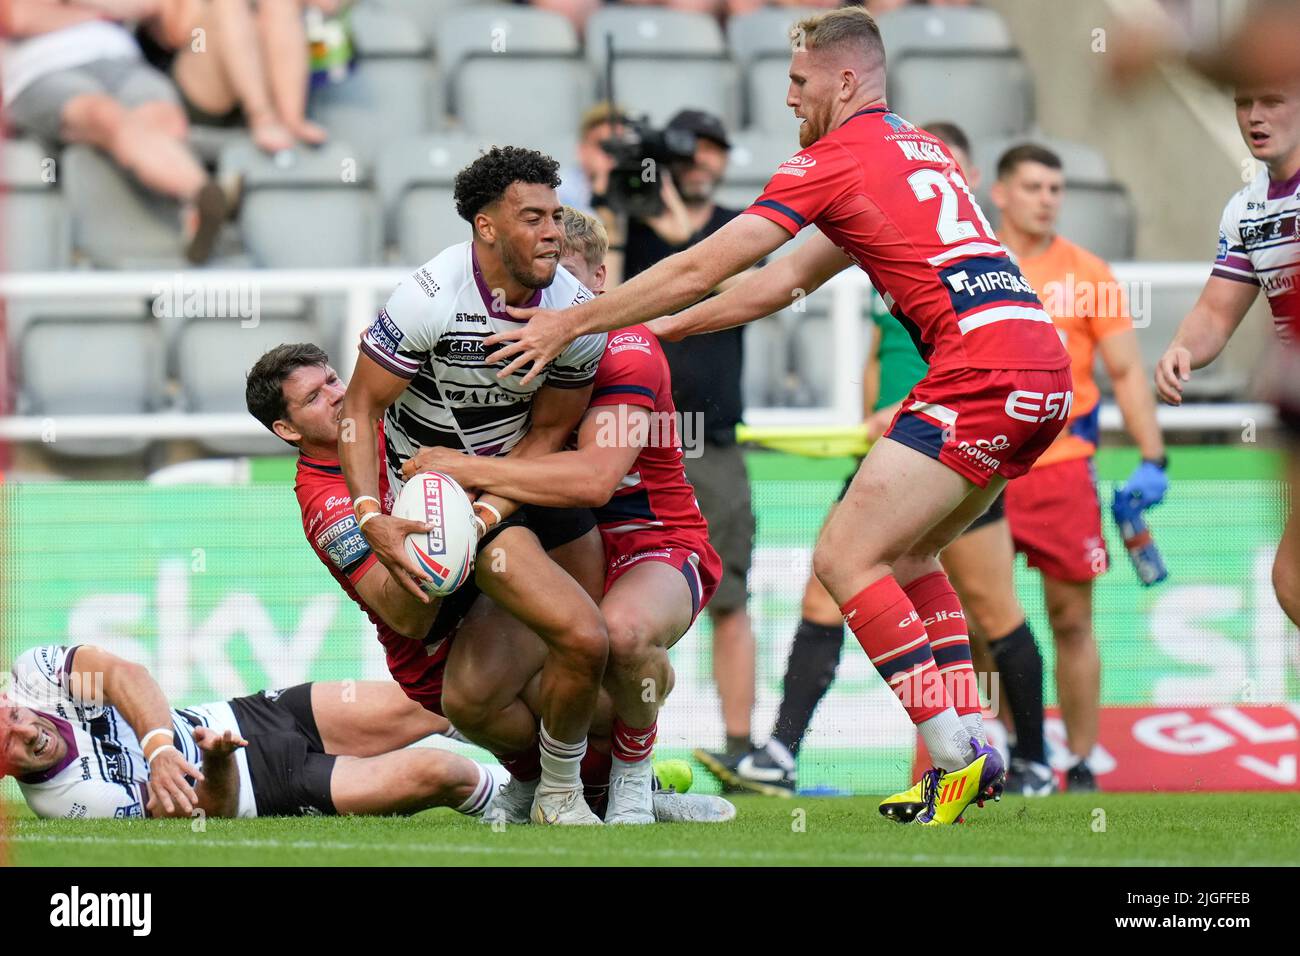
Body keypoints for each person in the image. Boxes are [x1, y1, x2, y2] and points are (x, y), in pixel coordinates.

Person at [485, 7, 1073, 826]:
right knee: (911, 555)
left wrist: (571, 321)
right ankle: (971, 732)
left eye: (798, 83)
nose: (789, 100)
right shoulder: (919, 147)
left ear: (843, 79)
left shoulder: (836, 156)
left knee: (843, 557)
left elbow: (705, 264)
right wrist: (648, 326)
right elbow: (779, 283)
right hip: (1042, 369)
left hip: (977, 369)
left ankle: (951, 746)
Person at [724, 122, 1057, 800]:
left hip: (958, 419)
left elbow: (973, 346)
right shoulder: (899, 238)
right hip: (918, 432)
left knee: (981, 601)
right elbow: (866, 338)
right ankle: (786, 752)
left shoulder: (965, 246)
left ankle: (1018, 756)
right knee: (857, 578)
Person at [403, 207, 728, 824]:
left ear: (599, 282)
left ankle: (635, 779)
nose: (545, 310)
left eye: (566, 289)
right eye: (531, 292)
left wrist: (468, 470)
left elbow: (595, 480)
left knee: (624, 637)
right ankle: (540, 784)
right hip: (563, 545)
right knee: (468, 699)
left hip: (650, 542)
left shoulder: (628, 348)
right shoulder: (496, 341)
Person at [338, 145, 616, 826]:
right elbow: (359, 408)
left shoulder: (574, 314)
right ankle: (548, 788)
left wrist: (487, 510)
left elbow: (551, 432)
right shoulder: (429, 296)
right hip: (425, 499)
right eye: (532, 217)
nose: (552, 230)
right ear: (486, 228)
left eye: (555, 215)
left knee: (590, 643)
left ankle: (575, 793)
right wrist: (369, 511)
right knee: (467, 701)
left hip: (510, 491)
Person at [990, 142, 1168, 792]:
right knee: (988, 620)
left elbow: (1125, 371)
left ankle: (1083, 762)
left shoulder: (1088, 272)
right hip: (984, 468)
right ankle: (1006, 749)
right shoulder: (978, 266)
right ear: (1002, 193)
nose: (1047, 199)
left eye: (1056, 189)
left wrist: (1154, 457)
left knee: (1070, 619)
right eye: (1034, 187)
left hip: (1064, 470)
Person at [606, 108, 762, 781]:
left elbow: (724, 277)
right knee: (610, 605)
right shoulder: (628, 225)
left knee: (730, 600)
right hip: (625, 442)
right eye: (689, 152)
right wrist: (616, 217)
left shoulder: (735, 225)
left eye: (712, 151)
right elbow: (599, 301)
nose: (702, 163)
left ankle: (740, 747)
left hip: (712, 442)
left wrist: (662, 212)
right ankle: (607, 749)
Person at [0, 643, 503, 820]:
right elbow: (206, 812)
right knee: (442, 771)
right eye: (11, 747)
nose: (30, 733)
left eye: (16, 720)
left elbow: (124, 675)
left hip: (252, 714)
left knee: (437, 700)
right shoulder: (69, 802)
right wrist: (215, 762)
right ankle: (522, 801)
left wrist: (158, 750)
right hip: (266, 787)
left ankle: (570, 759)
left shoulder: (36, 679)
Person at [1156, 83, 1300, 627]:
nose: (1254, 117)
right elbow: (1217, 313)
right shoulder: (1246, 208)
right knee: (1291, 579)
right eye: (1243, 103)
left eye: (1272, 101)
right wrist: (1180, 350)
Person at [0, 1, 230, 263]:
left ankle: (190, 224)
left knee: (165, 121)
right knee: (104, 116)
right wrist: (110, 10)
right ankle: (204, 194)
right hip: (38, 72)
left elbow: (178, 23)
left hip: (124, 63)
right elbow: (17, 17)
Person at [141, 0, 334, 154]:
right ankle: (262, 118)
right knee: (228, 5)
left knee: (279, 3)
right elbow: (176, 31)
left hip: (258, 77)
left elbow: (329, 5)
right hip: (196, 89)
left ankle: (292, 121)